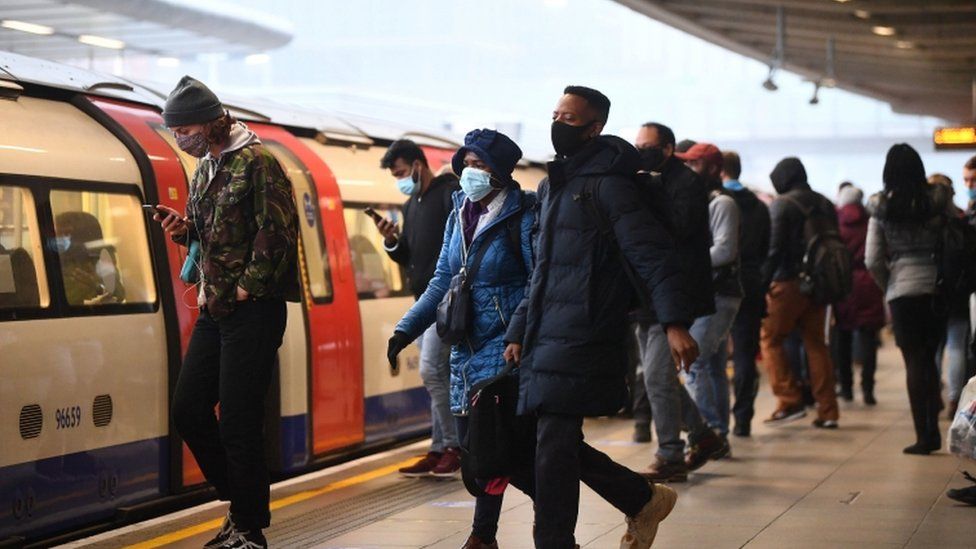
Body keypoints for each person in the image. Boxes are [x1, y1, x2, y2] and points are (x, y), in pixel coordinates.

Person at [507, 86, 698, 549]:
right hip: (545, 333)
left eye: (569, 119)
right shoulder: (552, 186)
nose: (558, 124)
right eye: (555, 114)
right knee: (544, 444)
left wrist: (674, 323)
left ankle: (555, 542)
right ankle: (641, 499)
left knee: (553, 446)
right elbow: (544, 270)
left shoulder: (611, 186)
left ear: (595, 128)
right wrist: (518, 329)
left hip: (587, 329)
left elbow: (652, 256)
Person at [155, 75, 300, 549]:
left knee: (239, 420)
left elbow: (278, 233)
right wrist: (183, 230)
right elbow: (208, 234)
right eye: (175, 132)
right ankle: (239, 504)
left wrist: (244, 289)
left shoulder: (258, 162)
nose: (180, 139)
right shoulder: (205, 169)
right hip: (215, 307)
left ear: (211, 122)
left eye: (184, 130)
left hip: (252, 310)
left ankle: (249, 529)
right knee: (188, 409)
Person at [386, 129, 535, 549]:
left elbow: (538, 280)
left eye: (479, 165)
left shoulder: (523, 215)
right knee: (482, 454)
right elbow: (442, 280)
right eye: (466, 164)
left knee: (493, 451)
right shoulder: (460, 213)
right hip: (464, 347)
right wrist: (405, 329)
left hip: (505, 348)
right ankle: (545, 514)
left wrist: (518, 331)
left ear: (500, 171)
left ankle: (486, 536)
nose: (470, 172)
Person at [631, 123, 721, 479]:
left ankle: (670, 455)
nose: (640, 151)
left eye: (647, 146)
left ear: (667, 149)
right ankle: (701, 434)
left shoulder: (686, 182)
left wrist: (647, 194)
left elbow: (678, 230)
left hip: (672, 295)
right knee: (657, 377)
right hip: (646, 295)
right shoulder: (649, 179)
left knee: (656, 377)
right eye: (637, 145)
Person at [376, 139, 462, 477]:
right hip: (423, 304)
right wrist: (391, 241)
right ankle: (438, 447)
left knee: (431, 371)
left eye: (400, 172)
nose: (399, 180)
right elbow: (410, 256)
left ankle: (454, 446)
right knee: (436, 376)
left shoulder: (449, 194)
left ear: (417, 165)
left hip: (447, 302)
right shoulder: (411, 205)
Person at [866, 144, 953, 454]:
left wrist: (889, 285)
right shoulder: (938, 202)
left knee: (913, 362)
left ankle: (924, 436)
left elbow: (872, 258)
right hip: (936, 287)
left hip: (902, 290)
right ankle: (935, 428)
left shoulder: (881, 208)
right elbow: (953, 239)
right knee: (930, 357)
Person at [760, 157, 841, 428]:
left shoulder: (782, 204)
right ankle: (828, 411)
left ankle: (789, 401)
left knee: (771, 340)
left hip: (787, 283)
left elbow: (773, 250)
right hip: (819, 284)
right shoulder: (824, 202)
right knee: (817, 344)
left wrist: (762, 285)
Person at [676, 143, 741, 451]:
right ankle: (720, 433)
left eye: (695, 164)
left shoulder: (722, 203)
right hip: (711, 293)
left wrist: (685, 260)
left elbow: (725, 251)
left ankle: (710, 433)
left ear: (713, 169)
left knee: (694, 362)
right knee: (713, 365)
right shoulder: (704, 201)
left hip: (720, 293)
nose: (688, 169)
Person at [720, 151, 771, 436]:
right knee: (744, 353)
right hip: (751, 283)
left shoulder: (716, 201)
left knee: (712, 355)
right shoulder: (760, 206)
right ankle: (742, 419)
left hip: (721, 283)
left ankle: (716, 422)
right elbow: (766, 249)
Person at [831, 184, 885, 405]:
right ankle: (868, 389)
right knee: (869, 338)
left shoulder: (836, 223)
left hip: (843, 284)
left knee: (842, 338)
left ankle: (846, 388)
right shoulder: (870, 220)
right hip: (869, 282)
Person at [928, 173, 973, 419]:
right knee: (956, 347)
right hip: (958, 294)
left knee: (933, 349)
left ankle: (934, 395)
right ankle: (955, 400)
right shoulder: (962, 220)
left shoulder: (925, 223)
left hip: (931, 293)